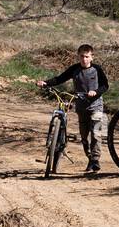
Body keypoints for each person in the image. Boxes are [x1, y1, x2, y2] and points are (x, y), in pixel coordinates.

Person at [37, 44, 109, 175]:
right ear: (78, 56)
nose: (84, 59)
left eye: (87, 56)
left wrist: (96, 92)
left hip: (96, 106)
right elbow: (60, 78)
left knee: (96, 134)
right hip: (81, 107)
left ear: (92, 57)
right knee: (84, 136)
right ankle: (90, 158)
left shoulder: (97, 69)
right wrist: (46, 83)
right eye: (81, 56)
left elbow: (105, 86)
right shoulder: (75, 69)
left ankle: (95, 160)